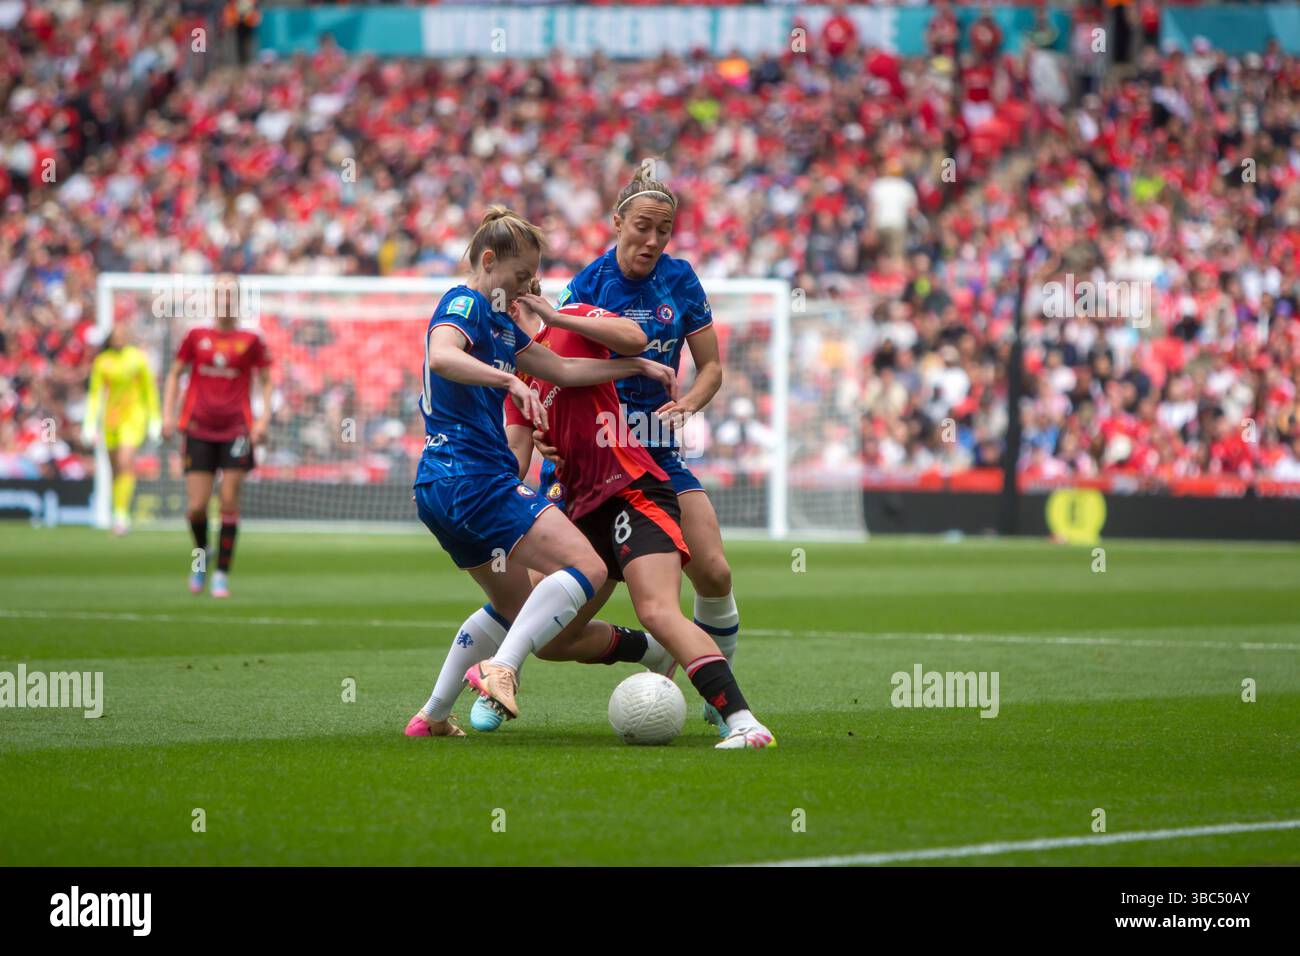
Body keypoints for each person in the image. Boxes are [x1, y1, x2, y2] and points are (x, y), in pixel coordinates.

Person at [403, 206, 677, 737]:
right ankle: (501, 669)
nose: (531, 284)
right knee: (588, 567)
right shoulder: (466, 302)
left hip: (437, 488)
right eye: (523, 273)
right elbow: (441, 356)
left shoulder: (501, 326)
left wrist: (635, 365)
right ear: (488, 260)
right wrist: (508, 384)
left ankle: (432, 716)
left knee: (514, 604)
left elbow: (563, 369)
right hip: (473, 477)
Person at [495, 300, 776, 749]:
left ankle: (743, 721)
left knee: (658, 608)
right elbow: (515, 453)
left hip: (632, 488)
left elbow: (633, 337)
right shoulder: (518, 374)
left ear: (516, 297)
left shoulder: (573, 317)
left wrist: (557, 318)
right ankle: (654, 651)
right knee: (549, 639)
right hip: (582, 509)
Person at [545, 170, 743, 736]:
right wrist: (540, 427)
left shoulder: (680, 281)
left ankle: (719, 685)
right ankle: (498, 671)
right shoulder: (587, 285)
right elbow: (556, 368)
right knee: (549, 606)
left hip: (656, 451)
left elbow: (710, 368)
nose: (653, 240)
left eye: (664, 230)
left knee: (714, 568)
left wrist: (689, 406)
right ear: (617, 223)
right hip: (588, 456)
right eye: (642, 227)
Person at [161, 274, 272, 598]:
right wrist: (168, 414)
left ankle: (222, 572)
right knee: (196, 508)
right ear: (213, 299)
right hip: (198, 428)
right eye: (219, 294)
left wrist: (263, 419)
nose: (225, 300)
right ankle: (201, 559)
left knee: (228, 501)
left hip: (237, 429)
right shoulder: (196, 336)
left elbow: (266, 380)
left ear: (237, 299)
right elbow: (174, 374)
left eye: (230, 294)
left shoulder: (251, 340)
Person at [82, 323, 161, 535]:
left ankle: (121, 516)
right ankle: (119, 510)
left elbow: (149, 389)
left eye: (123, 333)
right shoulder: (102, 362)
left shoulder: (137, 358)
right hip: (111, 420)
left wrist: (155, 418)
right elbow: (95, 394)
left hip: (134, 418)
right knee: (116, 469)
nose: (119, 337)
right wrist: (90, 422)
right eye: (116, 334)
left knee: (126, 462)